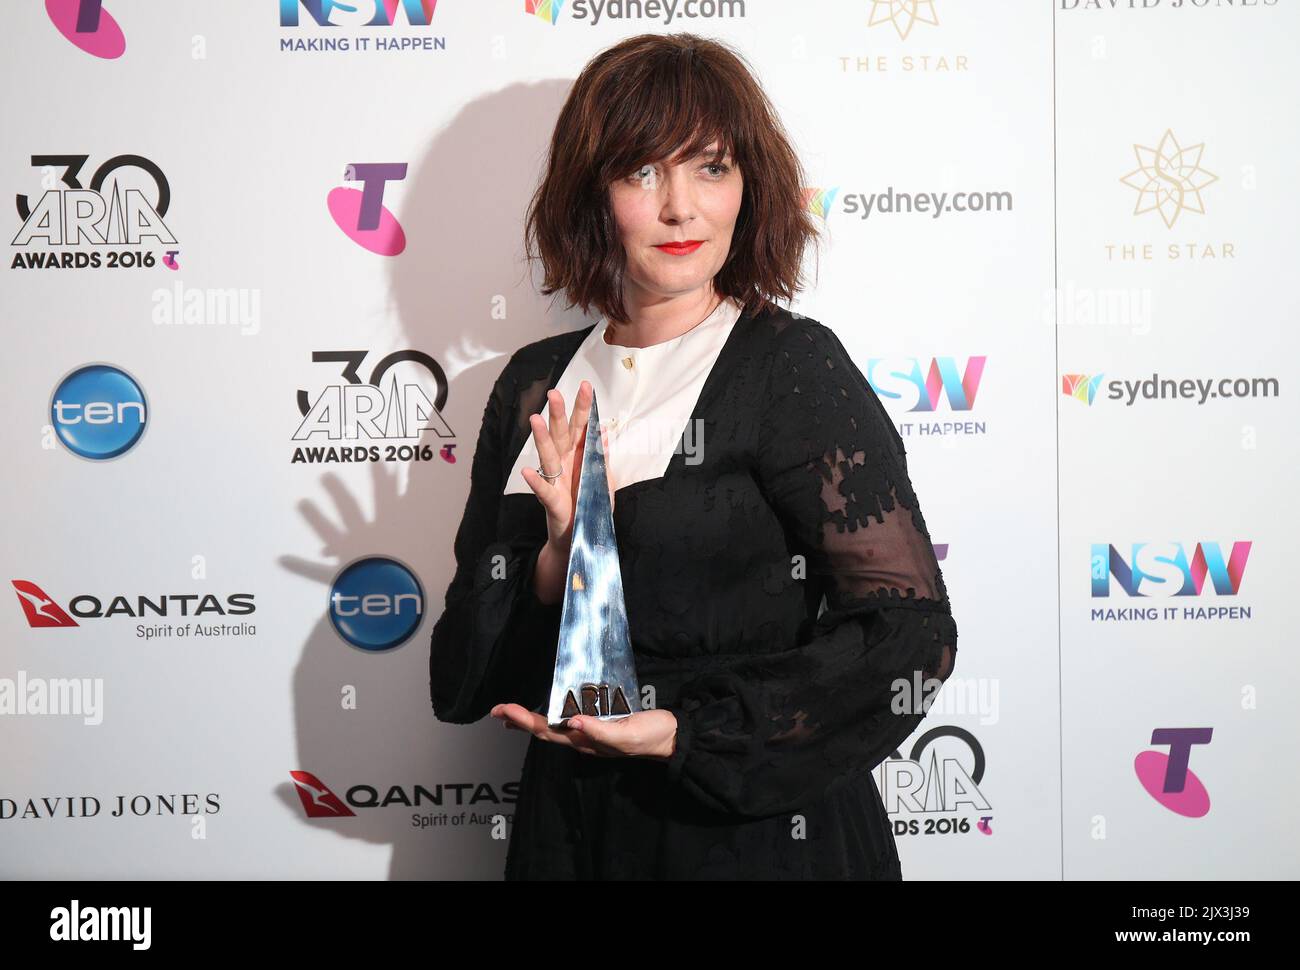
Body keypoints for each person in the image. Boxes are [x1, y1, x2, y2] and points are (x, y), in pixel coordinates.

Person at [429, 32, 957, 880]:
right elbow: (459, 681)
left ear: (749, 187)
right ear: (591, 193)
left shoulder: (791, 367)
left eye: (711, 167)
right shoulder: (535, 386)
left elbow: (909, 635)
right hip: (576, 835)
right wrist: (557, 561)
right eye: (643, 171)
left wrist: (686, 730)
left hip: (756, 834)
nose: (683, 208)